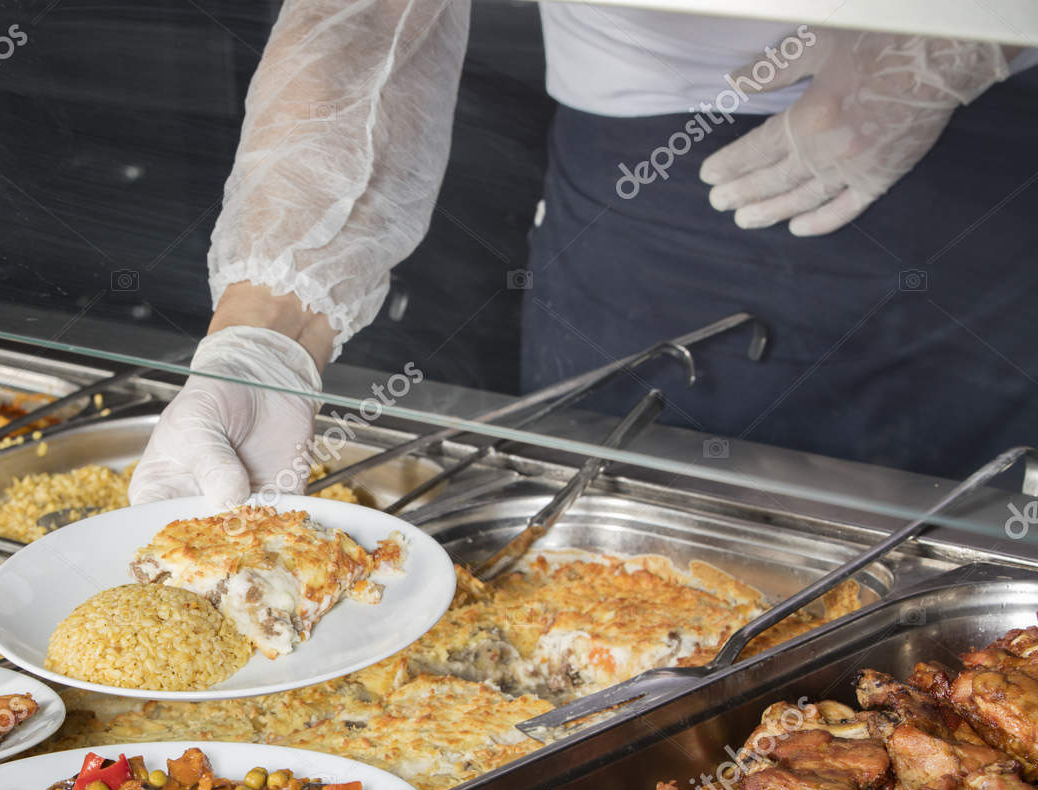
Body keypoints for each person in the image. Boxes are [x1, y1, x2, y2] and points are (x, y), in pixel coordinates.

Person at [129, 2, 1037, 506]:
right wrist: (265, 339)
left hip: (984, 158)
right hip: (653, 182)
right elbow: (363, 23)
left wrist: (951, 42)